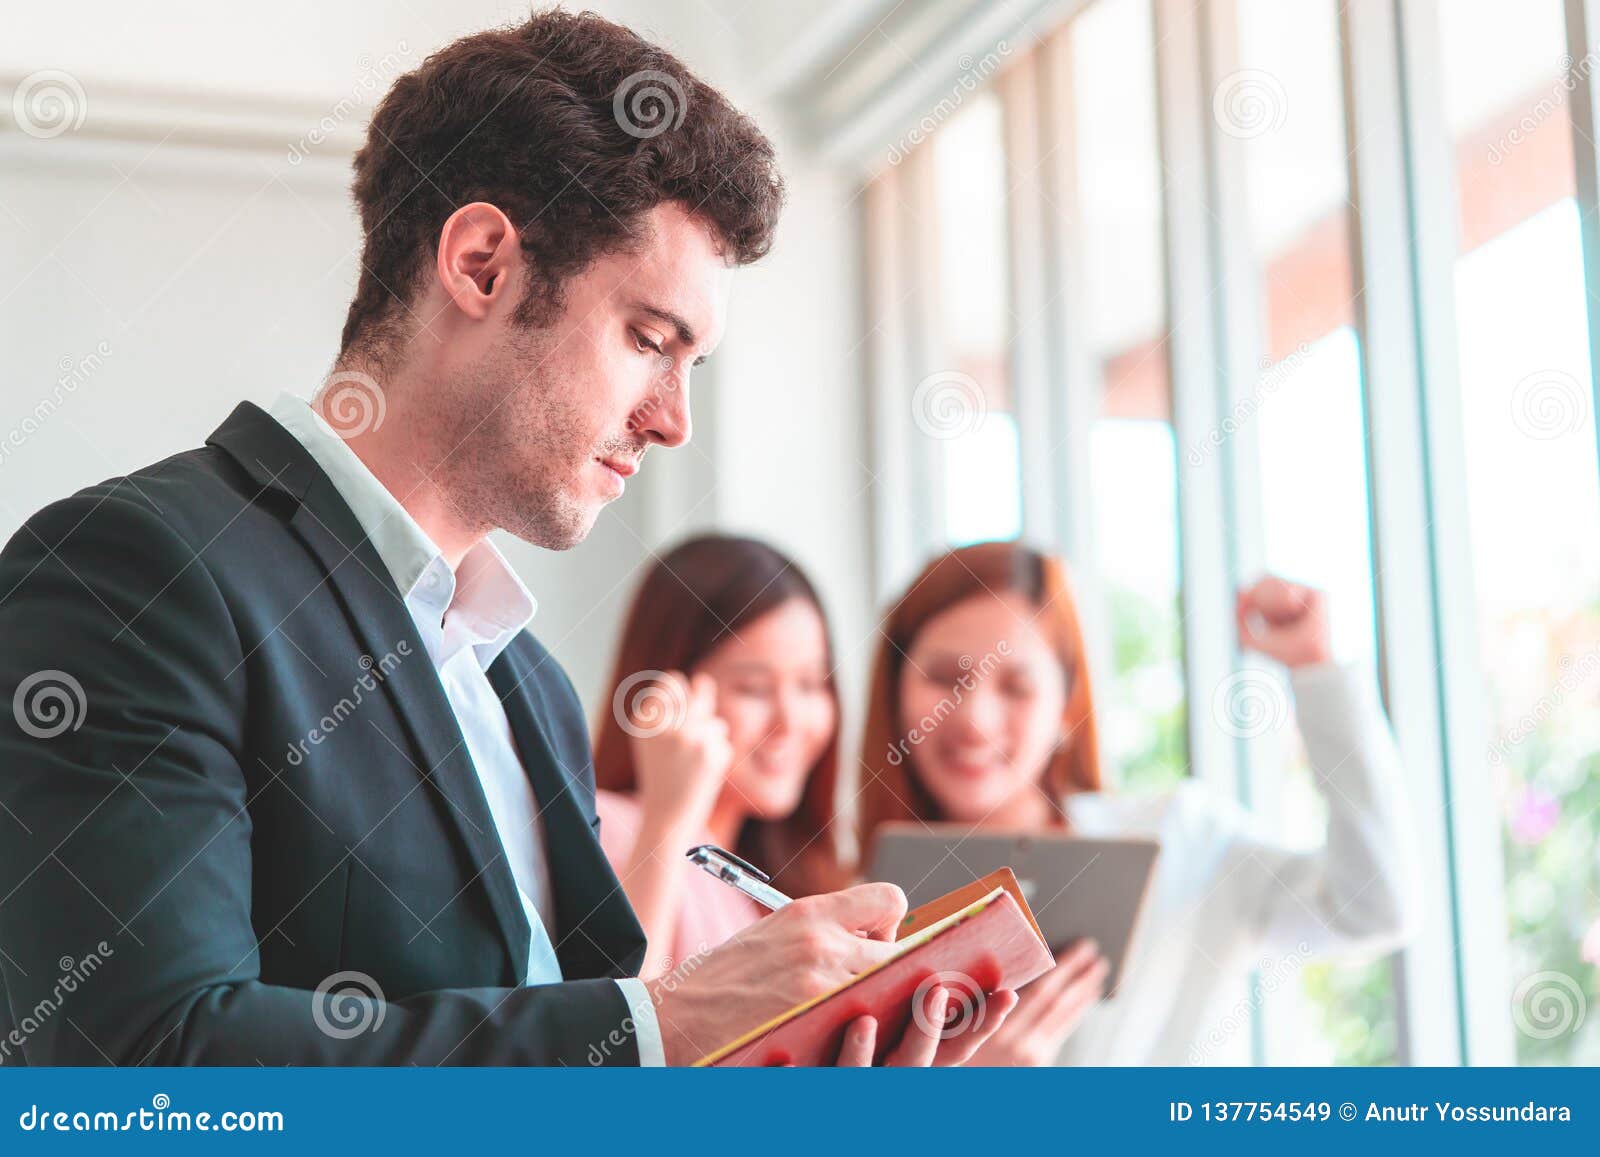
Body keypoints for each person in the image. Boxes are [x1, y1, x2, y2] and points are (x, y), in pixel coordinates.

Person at [0, 10, 1015, 1067]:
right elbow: (127, 1064)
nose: (673, 419)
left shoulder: (529, 684)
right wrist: (665, 1020)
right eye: (646, 340)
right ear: (481, 264)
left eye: (690, 365)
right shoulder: (134, 573)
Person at [856, 540, 1419, 1065]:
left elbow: (1374, 907)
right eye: (943, 677)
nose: (974, 719)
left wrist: (1315, 669)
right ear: (896, 688)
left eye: (1017, 685)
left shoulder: (1180, 842)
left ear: (1064, 710)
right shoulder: (848, 910)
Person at [591, 534, 850, 976]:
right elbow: (618, 1024)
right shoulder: (606, 827)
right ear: (669, 695)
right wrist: (667, 820)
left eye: (810, 685)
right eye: (753, 688)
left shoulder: (791, 877)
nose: (790, 722)